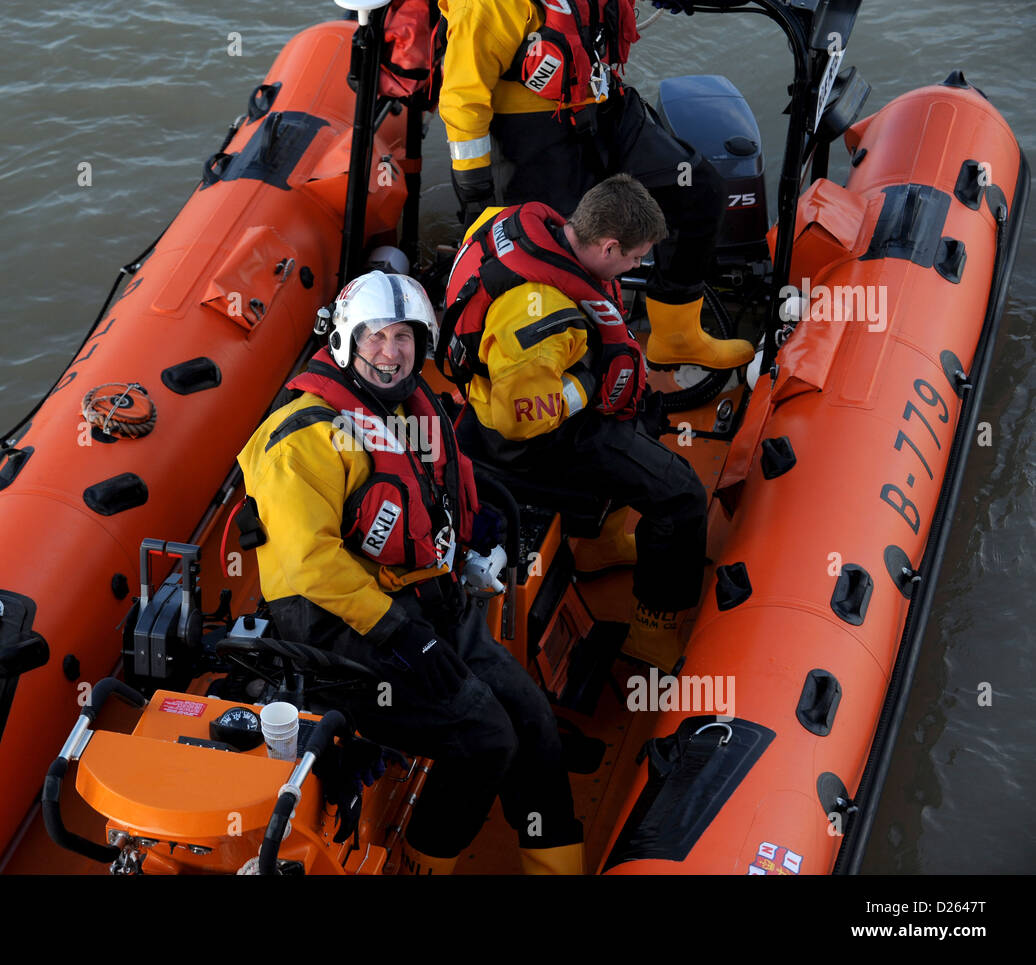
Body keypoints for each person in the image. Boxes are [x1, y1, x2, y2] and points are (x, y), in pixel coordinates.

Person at [237, 270, 584, 874]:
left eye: (405, 338)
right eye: (376, 338)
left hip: (422, 602)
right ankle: (422, 863)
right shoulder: (302, 440)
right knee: (485, 739)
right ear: (345, 342)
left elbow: (430, 497)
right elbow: (307, 563)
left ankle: (557, 863)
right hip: (337, 629)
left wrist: (470, 547)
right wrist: (401, 632)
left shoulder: (404, 410)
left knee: (529, 717)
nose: (391, 354)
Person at [441, 175, 707, 671]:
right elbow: (518, 418)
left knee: (642, 413)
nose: (637, 267)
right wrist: (588, 385)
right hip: (518, 442)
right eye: (635, 258)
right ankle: (653, 631)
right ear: (608, 246)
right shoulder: (542, 318)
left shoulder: (510, 222)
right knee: (680, 494)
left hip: (496, 395)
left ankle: (601, 547)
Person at [437, 0, 754, 370]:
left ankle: (676, 337)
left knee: (696, 190)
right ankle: (569, 368)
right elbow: (462, 102)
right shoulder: (488, 7)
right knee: (561, 260)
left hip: (601, 110)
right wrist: (477, 197)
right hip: (529, 137)